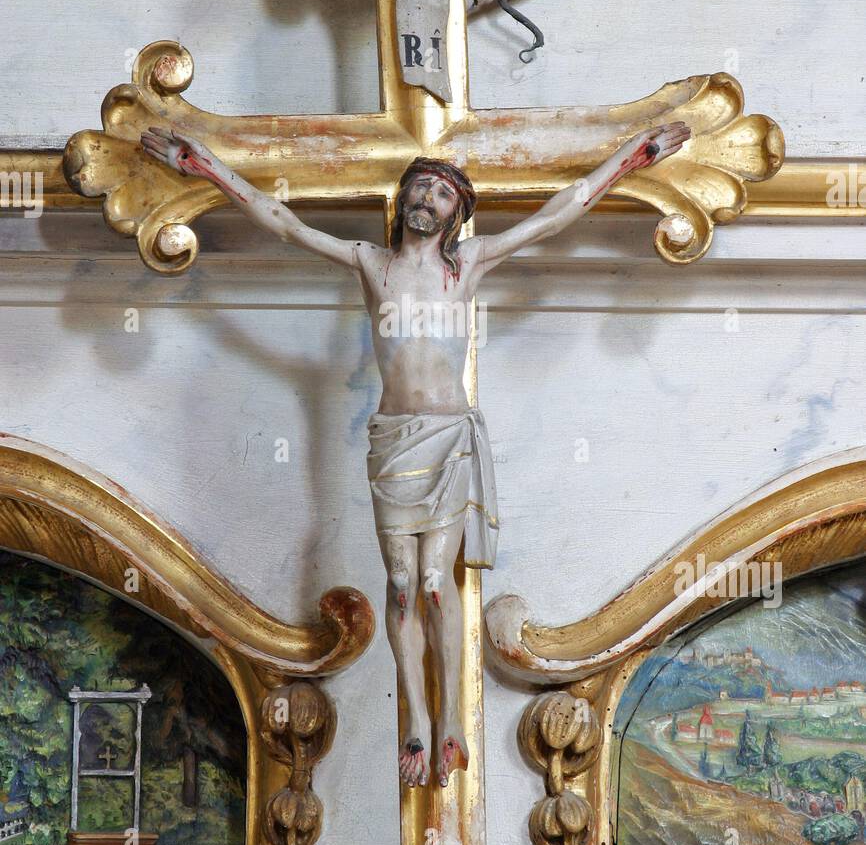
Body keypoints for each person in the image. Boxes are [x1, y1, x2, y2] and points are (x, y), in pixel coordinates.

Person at [141, 119, 689, 788]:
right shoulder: (373, 264)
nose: (429, 199)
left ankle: (451, 718)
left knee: (435, 582)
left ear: (457, 214)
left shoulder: (468, 265)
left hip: (448, 437)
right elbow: (283, 222)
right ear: (403, 199)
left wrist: (630, 159)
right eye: (421, 189)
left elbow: (554, 216)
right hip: (394, 442)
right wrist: (205, 166)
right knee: (401, 584)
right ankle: (416, 723)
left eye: (443, 194)